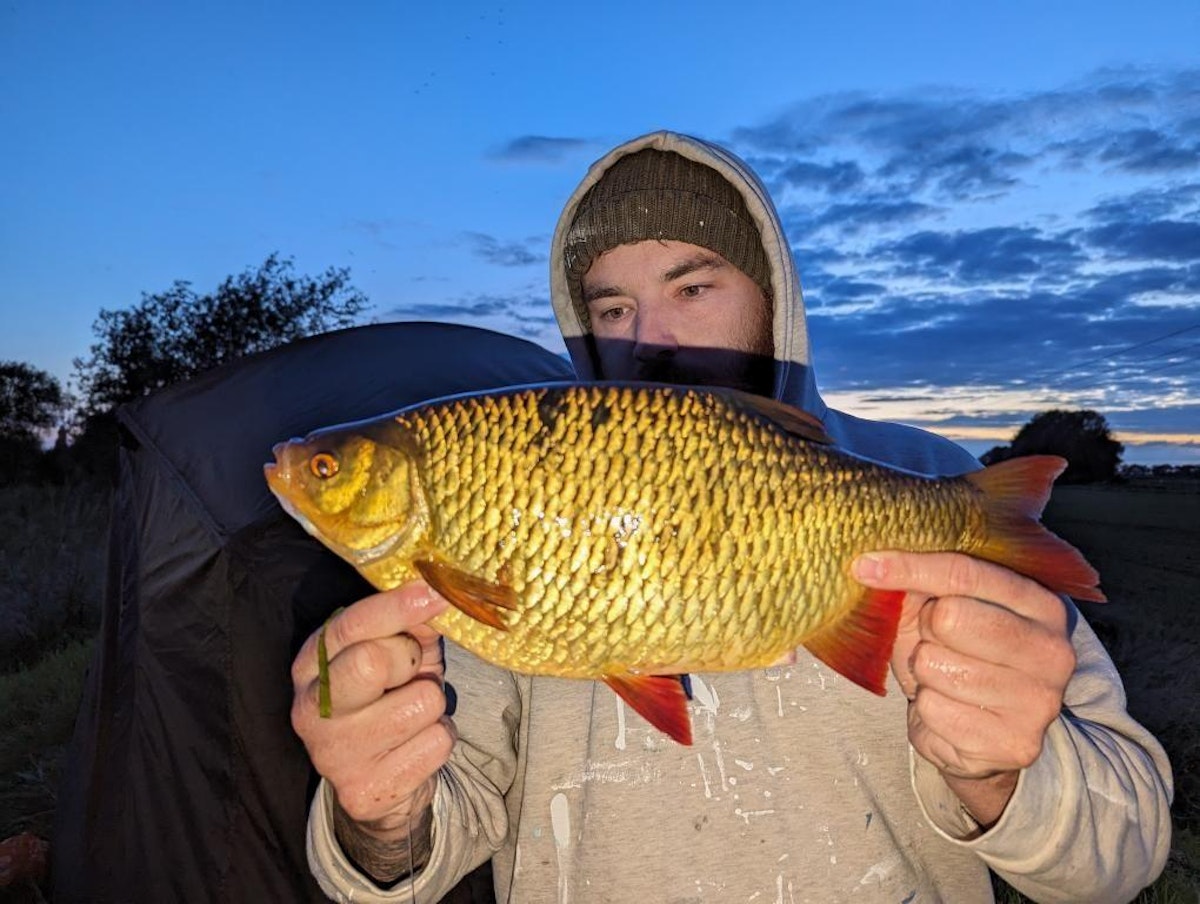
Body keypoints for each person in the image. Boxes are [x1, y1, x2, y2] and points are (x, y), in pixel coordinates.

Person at [291, 131, 1174, 902]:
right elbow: (422, 854)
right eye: (612, 307)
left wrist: (1000, 776)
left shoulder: (932, 487)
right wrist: (379, 813)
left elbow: (1122, 856)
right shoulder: (518, 505)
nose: (651, 339)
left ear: (772, 294)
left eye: (693, 288)